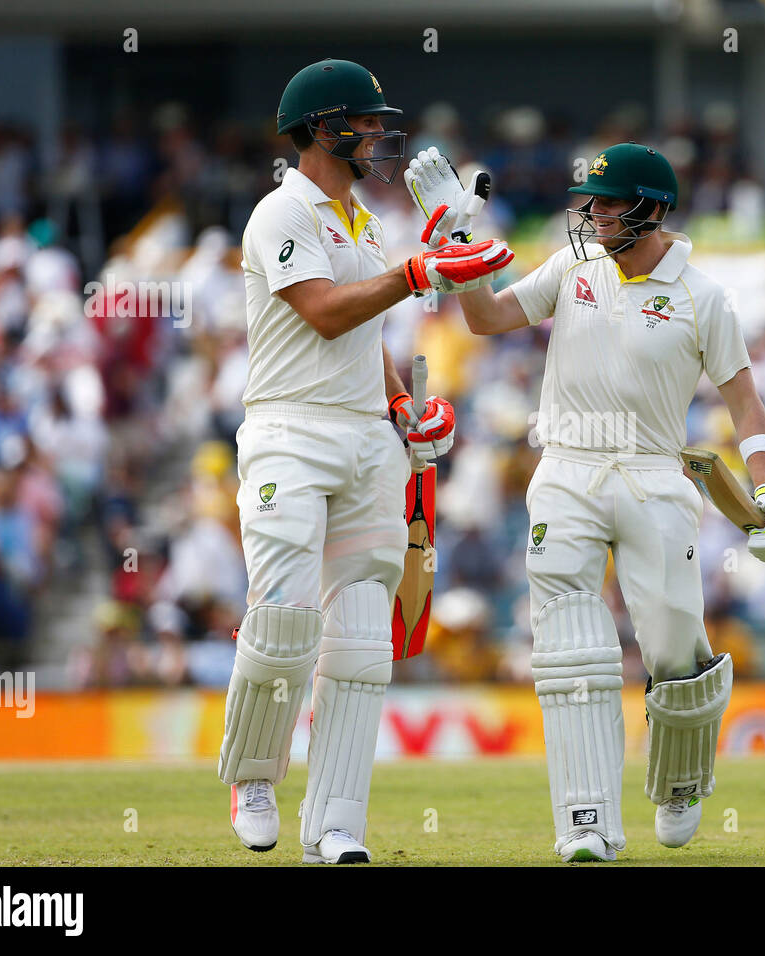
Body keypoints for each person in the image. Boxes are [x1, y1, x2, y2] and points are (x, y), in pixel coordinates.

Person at [407, 142, 765, 861]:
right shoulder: (575, 266)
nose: (589, 214)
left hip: (654, 475)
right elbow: (489, 319)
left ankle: (681, 782)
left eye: (606, 202)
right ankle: (585, 821)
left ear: (651, 209)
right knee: (569, 649)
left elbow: (746, 403)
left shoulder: (702, 296)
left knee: (675, 649)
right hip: (565, 468)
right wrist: (456, 247)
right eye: (587, 201)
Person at [218, 58, 514, 864]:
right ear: (322, 128)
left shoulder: (371, 226)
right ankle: (252, 777)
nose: (381, 135)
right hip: (289, 432)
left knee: (359, 638)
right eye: (367, 121)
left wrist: (403, 408)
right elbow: (321, 313)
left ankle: (336, 823)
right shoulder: (282, 213)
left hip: (365, 439)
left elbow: (366, 335)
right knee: (283, 618)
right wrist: (415, 272)